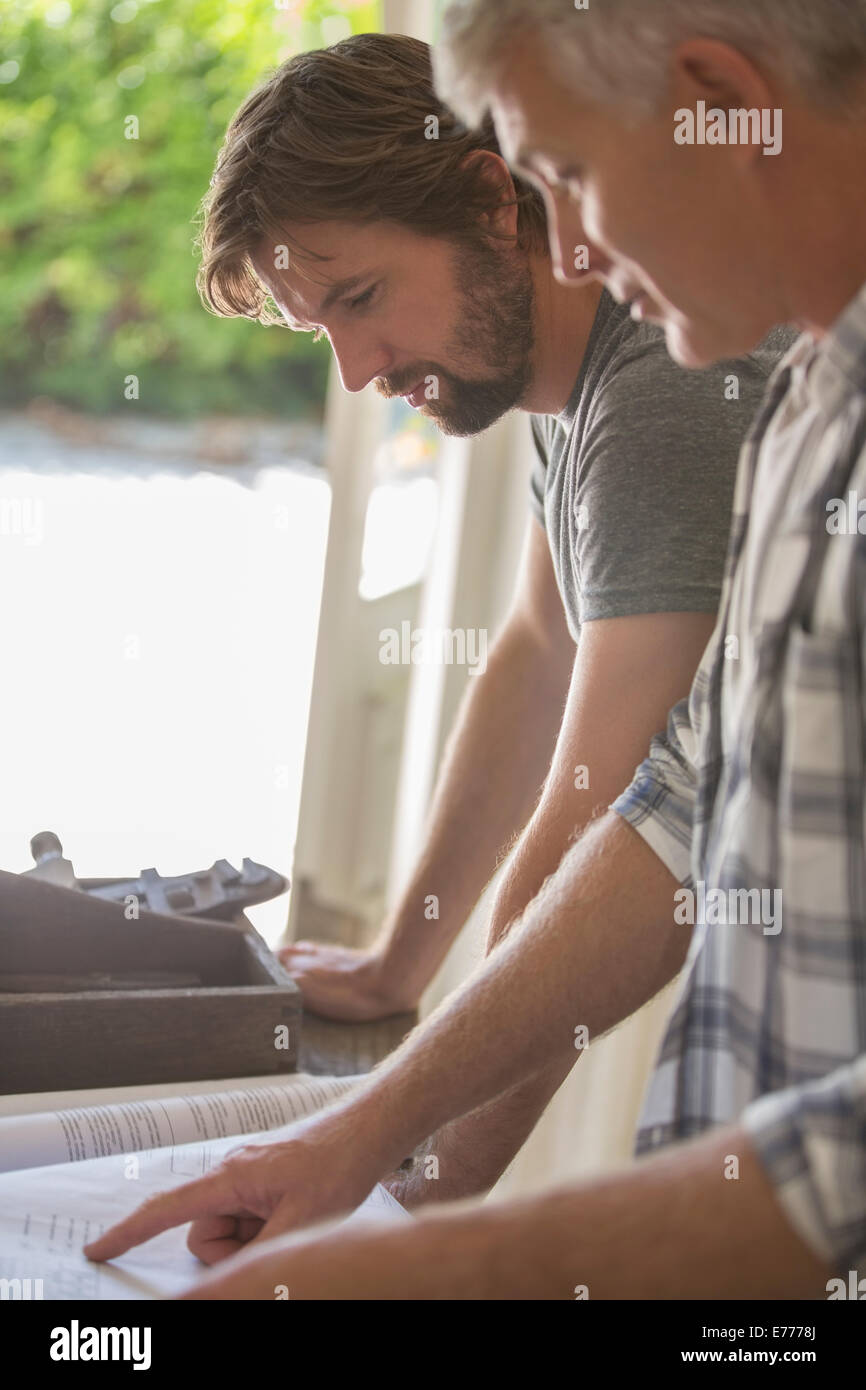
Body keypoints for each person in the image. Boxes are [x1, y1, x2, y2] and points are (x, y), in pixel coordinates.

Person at [85, 2, 866, 1296]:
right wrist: (386, 1066)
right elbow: (626, 761)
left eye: (562, 176)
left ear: (711, 96)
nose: (571, 245)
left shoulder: (684, 384)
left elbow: (587, 817)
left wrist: (427, 1209)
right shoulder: (776, 398)